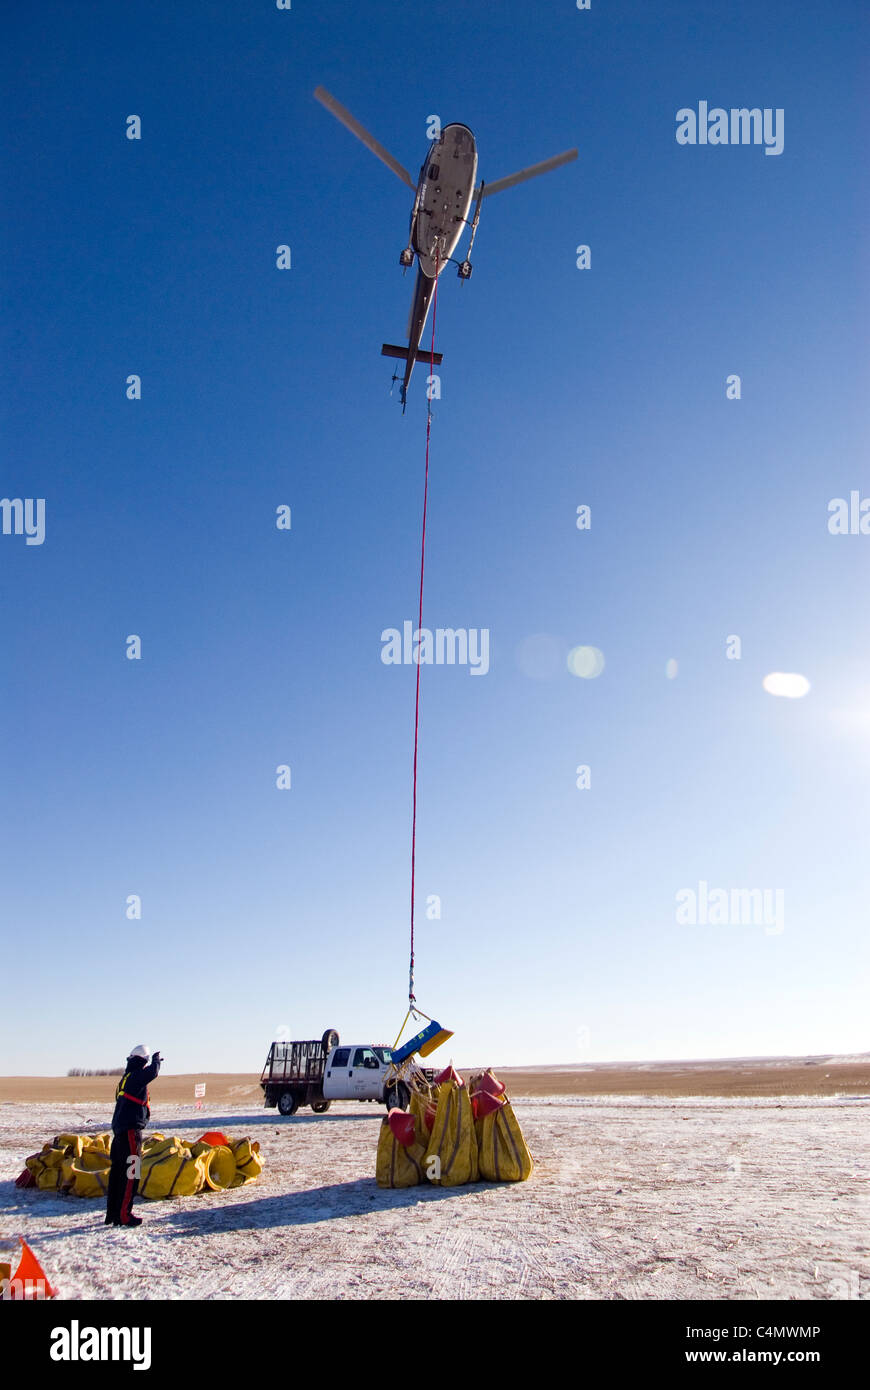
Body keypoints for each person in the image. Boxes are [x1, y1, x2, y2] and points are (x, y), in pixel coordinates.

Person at [105, 1045, 162, 1228]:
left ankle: (112, 1215)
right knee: (132, 1174)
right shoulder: (137, 1076)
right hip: (131, 1135)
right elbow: (152, 1073)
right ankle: (124, 1216)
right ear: (142, 1061)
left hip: (120, 1134)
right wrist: (156, 1061)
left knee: (117, 1174)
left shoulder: (126, 1078)